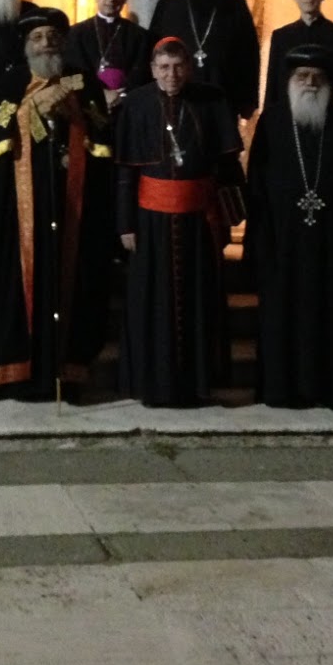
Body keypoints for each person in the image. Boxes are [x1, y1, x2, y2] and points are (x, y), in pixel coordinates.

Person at [0, 8, 114, 398]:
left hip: (71, 201)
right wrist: (30, 114)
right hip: (24, 206)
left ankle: (66, 372)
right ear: (26, 45)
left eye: (53, 37)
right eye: (38, 38)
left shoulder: (79, 79)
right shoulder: (12, 81)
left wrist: (73, 113)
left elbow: (99, 126)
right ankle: (20, 371)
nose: (46, 44)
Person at [114, 37, 244, 406]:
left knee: (197, 302)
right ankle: (152, 383)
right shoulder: (137, 104)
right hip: (150, 222)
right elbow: (125, 172)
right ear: (153, 70)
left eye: (178, 67)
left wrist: (228, 219)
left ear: (189, 67)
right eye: (164, 68)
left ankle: (196, 384)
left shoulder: (210, 100)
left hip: (198, 223)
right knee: (152, 302)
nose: (171, 75)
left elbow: (227, 167)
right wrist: (125, 226)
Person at [247, 44, 333, 409]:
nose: (310, 83)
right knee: (281, 317)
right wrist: (259, 241)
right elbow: (256, 183)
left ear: (330, 84)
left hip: (332, 242)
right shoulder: (271, 121)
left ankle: (327, 390)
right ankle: (280, 390)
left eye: (318, 77)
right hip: (282, 241)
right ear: (289, 81)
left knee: (330, 317)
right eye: (302, 76)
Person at [147, 0, 262, 120]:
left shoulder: (235, 3)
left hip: (223, 96)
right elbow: (152, 50)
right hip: (175, 95)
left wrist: (248, 100)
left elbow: (249, 53)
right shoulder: (169, 3)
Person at [66, 0, 150, 112]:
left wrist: (122, 95)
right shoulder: (75, 33)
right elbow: (70, 72)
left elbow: (142, 72)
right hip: (87, 106)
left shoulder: (140, 35)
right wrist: (100, 93)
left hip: (127, 106)